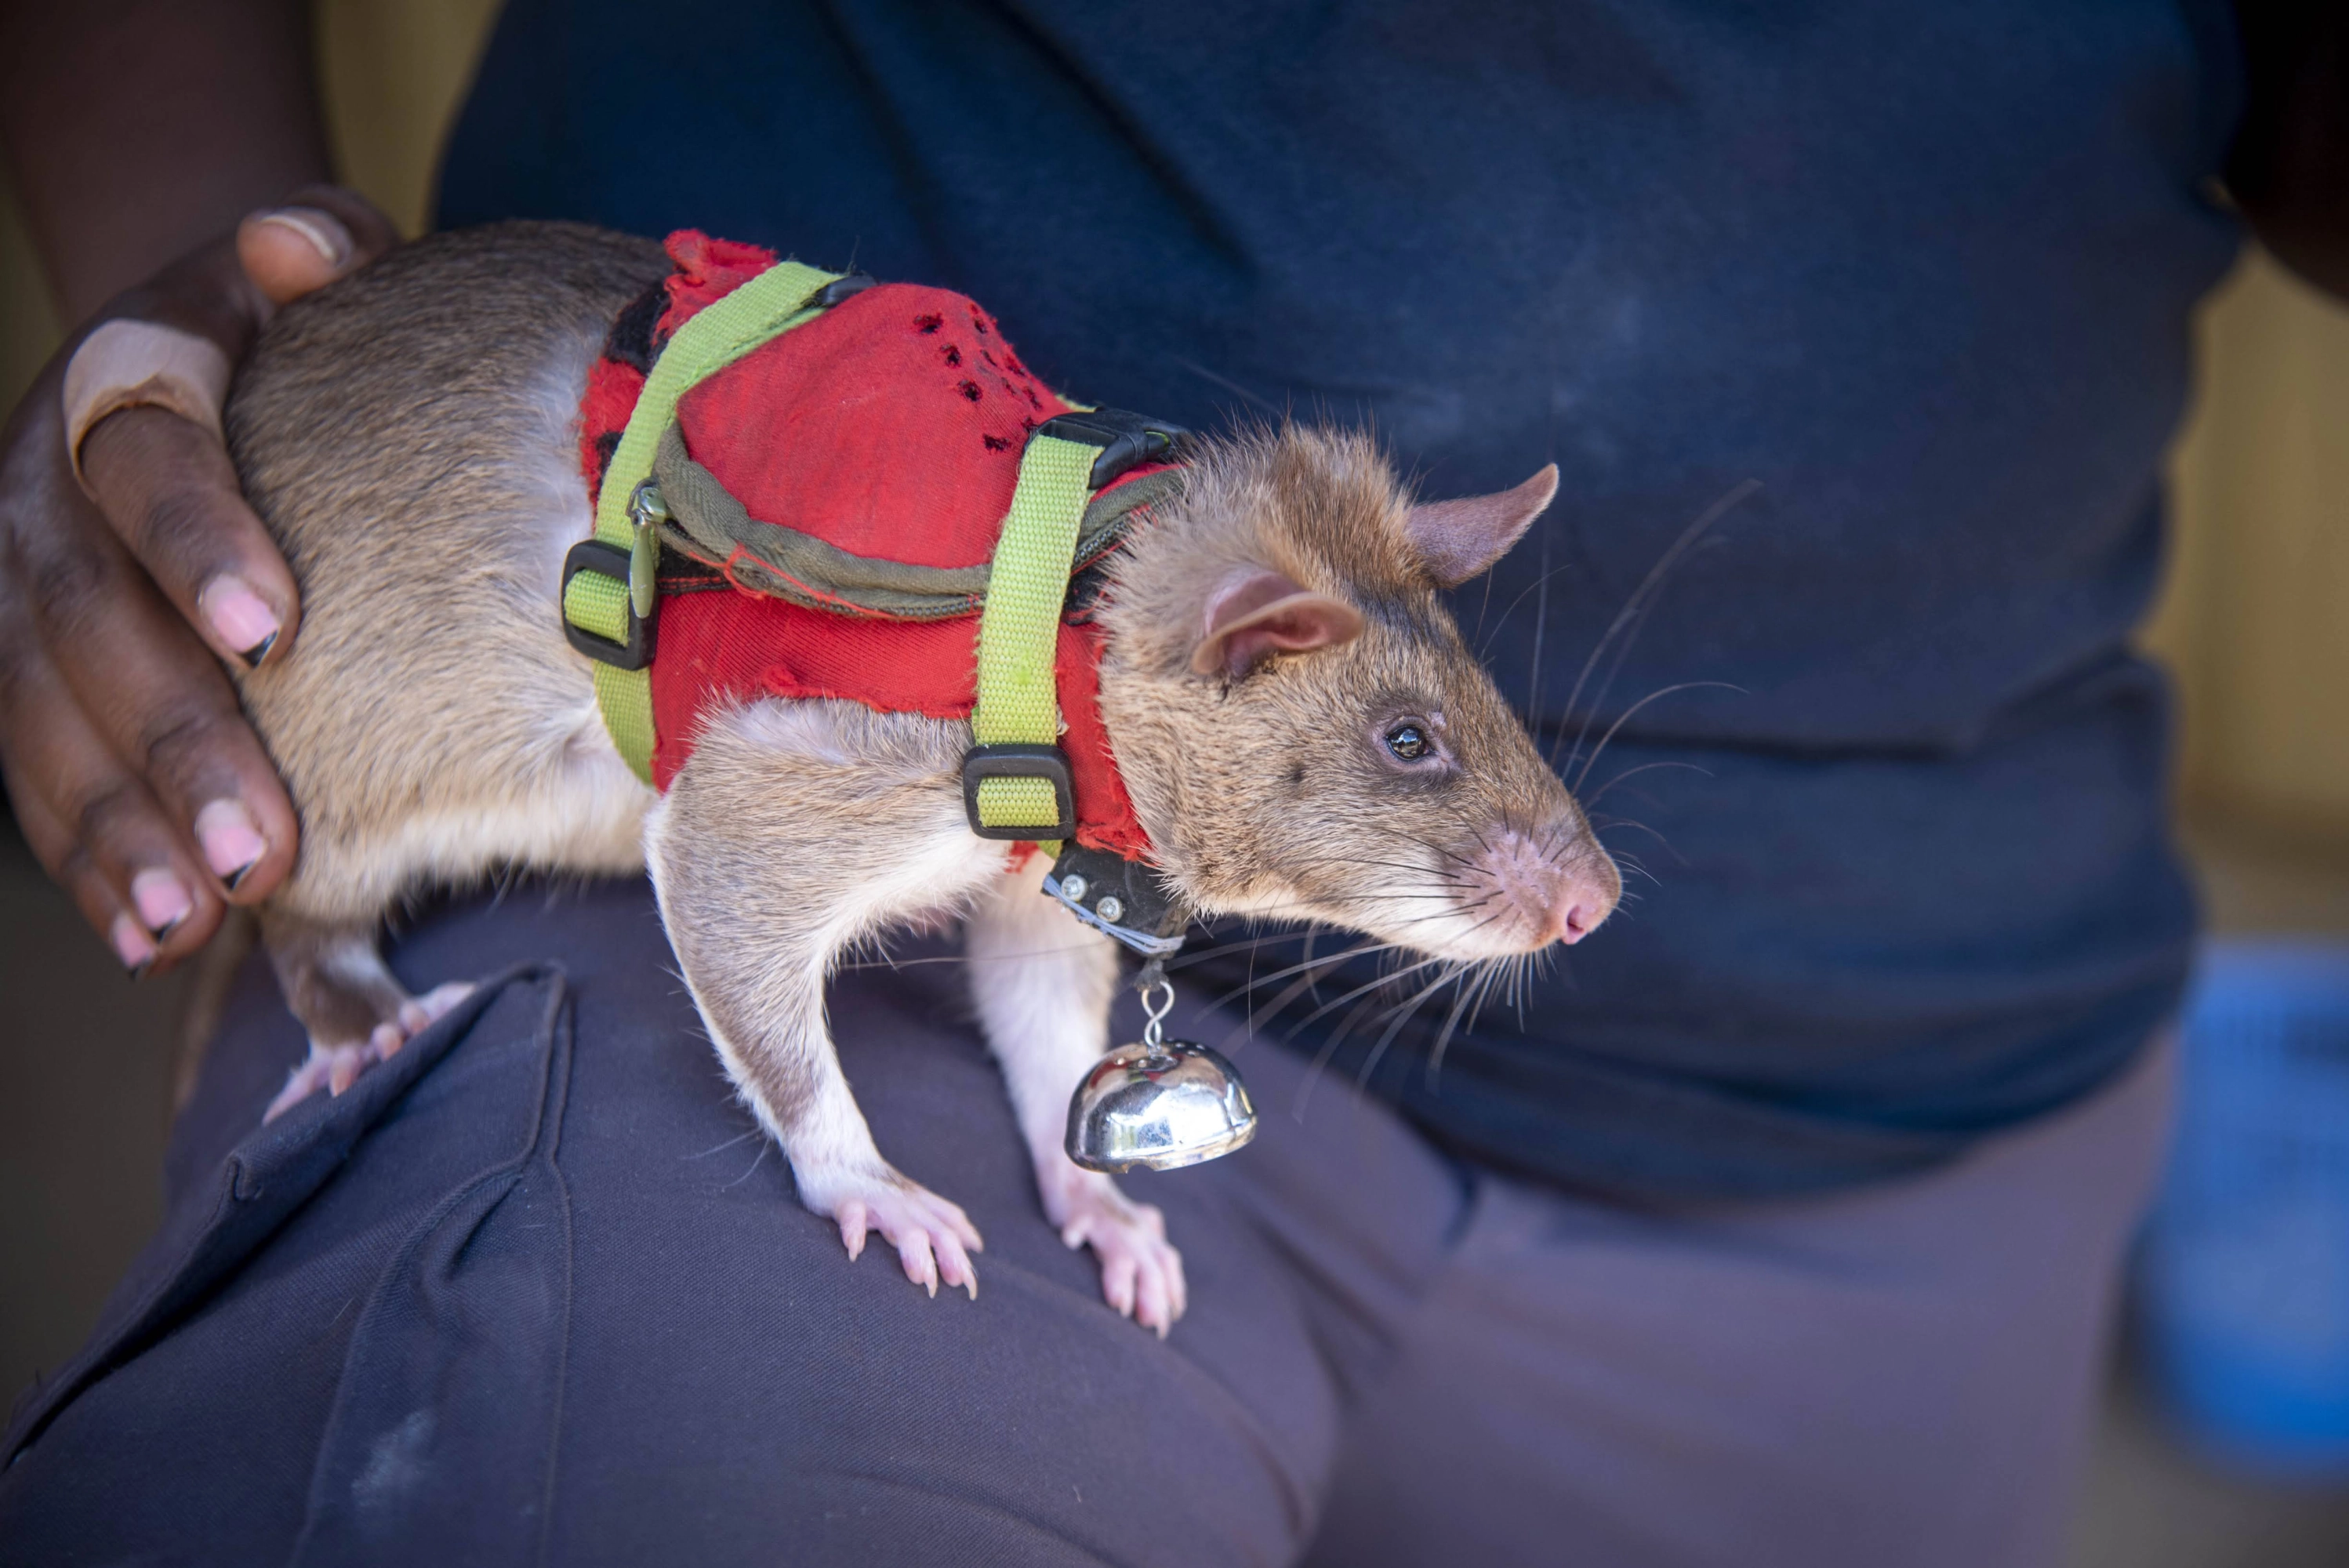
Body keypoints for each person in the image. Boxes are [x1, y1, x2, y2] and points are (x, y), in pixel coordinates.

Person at [1, 2, 2343, 1563]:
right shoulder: (952, 698)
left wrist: (1071, 1168)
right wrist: (839, 1158)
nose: (1559, 878)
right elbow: (734, 851)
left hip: (1899, 1084)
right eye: (1415, 748)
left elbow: (1049, 888)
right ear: (1242, 647)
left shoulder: (1094, 740)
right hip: (624, 915)